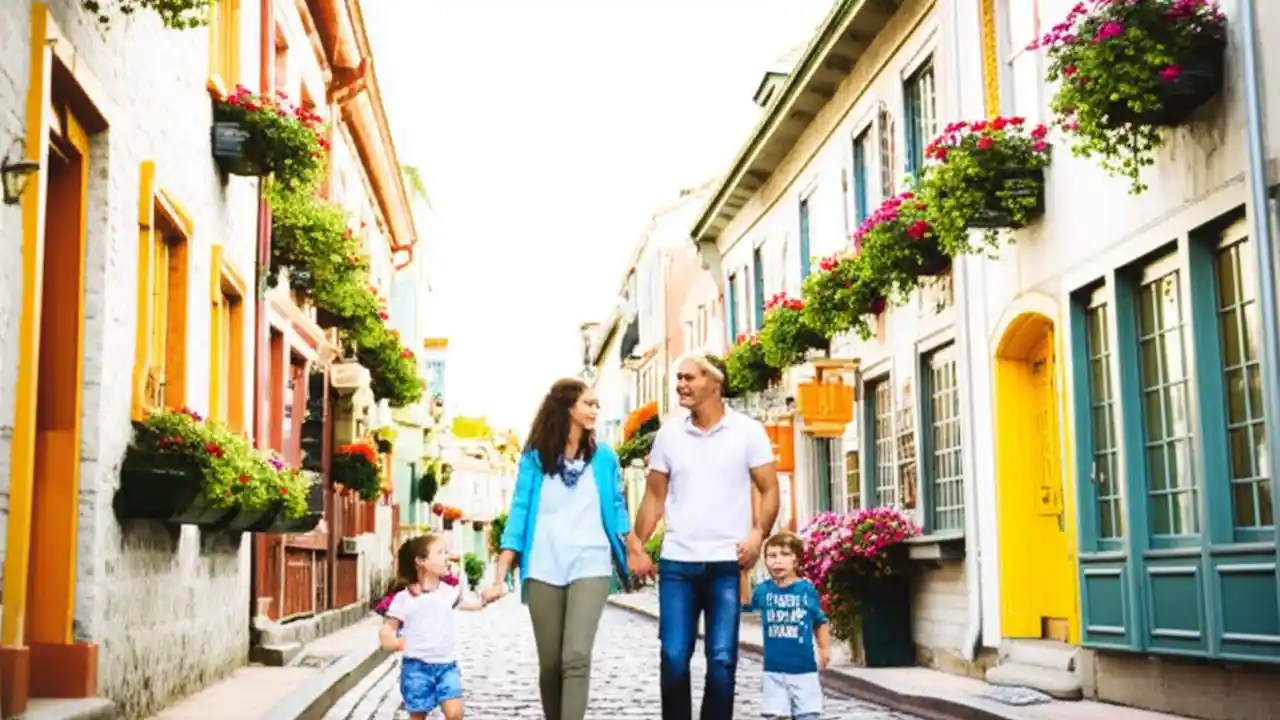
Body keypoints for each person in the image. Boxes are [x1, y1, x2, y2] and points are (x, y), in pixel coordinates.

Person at [627, 354, 781, 720]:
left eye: (689, 378)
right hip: (678, 562)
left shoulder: (748, 432)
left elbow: (770, 489)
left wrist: (758, 533)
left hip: (727, 563)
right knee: (674, 656)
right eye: (678, 377)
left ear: (715, 382)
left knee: (723, 660)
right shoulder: (668, 435)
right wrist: (635, 543)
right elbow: (654, 498)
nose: (681, 384)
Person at [481, 377, 633, 720]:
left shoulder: (605, 457)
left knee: (576, 656)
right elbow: (519, 513)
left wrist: (631, 545)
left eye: (596, 404)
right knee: (550, 664)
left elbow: (617, 506)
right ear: (567, 407)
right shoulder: (535, 459)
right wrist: (501, 572)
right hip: (543, 565)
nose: (595, 410)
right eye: (588, 404)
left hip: (590, 563)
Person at [379, 533, 487, 720]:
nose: (447, 556)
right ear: (421, 561)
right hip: (416, 668)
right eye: (440, 552)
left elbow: (470, 604)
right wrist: (393, 642)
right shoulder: (404, 599)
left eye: (446, 552)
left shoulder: (449, 592)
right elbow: (388, 628)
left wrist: (485, 599)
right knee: (418, 715)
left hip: (447, 666)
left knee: (455, 714)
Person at [743, 532, 831, 720]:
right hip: (774, 669)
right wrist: (742, 573)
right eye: (772, 556)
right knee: (775, 715)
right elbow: (745, 604)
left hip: (803, 669)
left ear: (796, 560)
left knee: (808, 714)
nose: (777, 561)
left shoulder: (805, 590)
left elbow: (819, 621)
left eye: (784, 555)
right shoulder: (763, 590)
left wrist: (824, 649)